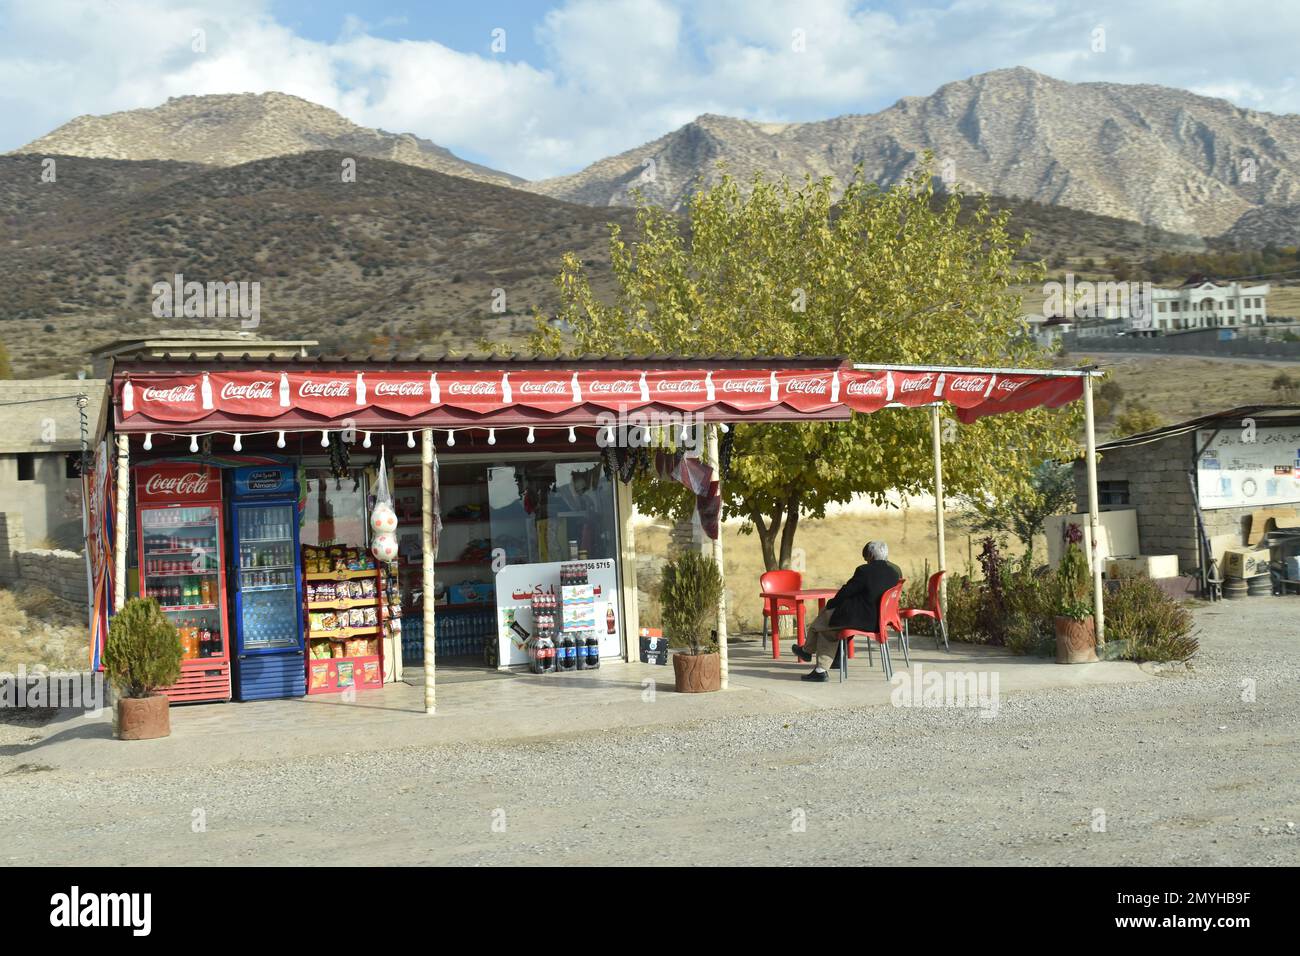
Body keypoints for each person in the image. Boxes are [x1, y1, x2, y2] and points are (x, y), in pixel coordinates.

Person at [792, 540, 901, 682]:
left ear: (871, 556)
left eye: (866, 557)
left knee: (825, 627)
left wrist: (832, 604)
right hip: (880, 621)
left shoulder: (864, 571)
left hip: (861, 619)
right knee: (827, 620)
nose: (865, 560)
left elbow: (847, 591)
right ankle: (817, 655)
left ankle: (816, 663)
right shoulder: (893, 573)